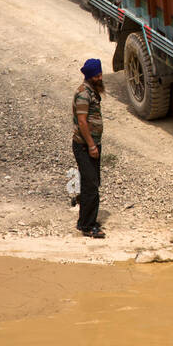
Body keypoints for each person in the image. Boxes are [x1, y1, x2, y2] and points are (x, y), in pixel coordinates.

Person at [72, 58, 106, 239]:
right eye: (97, 76)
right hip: (85, 146)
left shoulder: (91, 90)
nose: (100, 78)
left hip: (92, 145)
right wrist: (91, 145)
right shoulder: (84, 94)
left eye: (100, 74)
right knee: (91, 185)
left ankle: (86, 219)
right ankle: (87, 226)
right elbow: (82, 121)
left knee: (91, 182)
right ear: (90, 76)